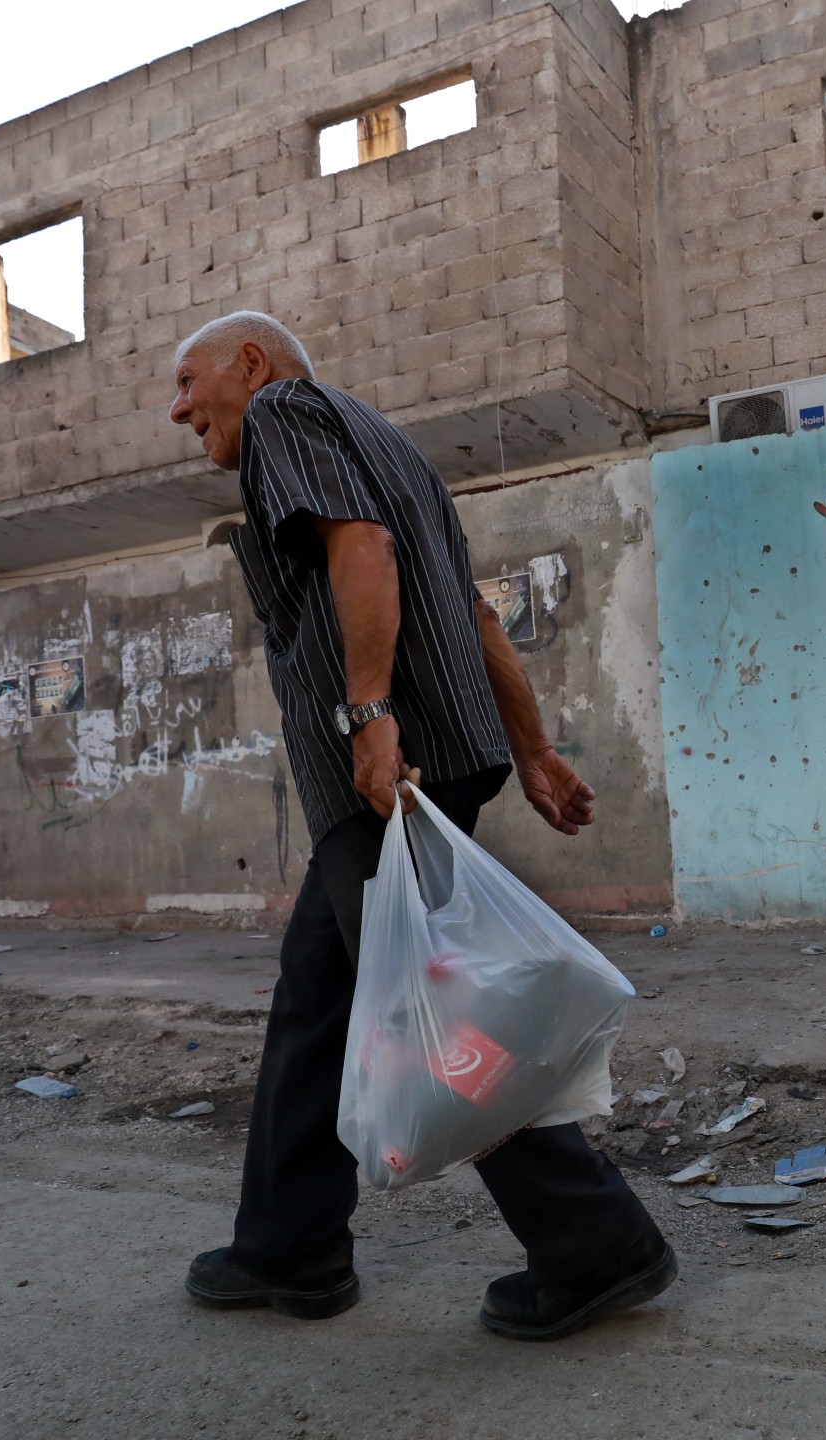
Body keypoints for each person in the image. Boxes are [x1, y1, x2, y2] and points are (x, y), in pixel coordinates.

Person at [166, 311, 675, 1336]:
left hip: (391, 773)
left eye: (188, 383)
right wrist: (528, 751)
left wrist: (367, 716)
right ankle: (289, 1244)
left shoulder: (285, 417)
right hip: (434, 757)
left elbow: (363, 550)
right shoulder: (385, 442)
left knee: (436, 1014)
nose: (179, 411)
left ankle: (596, 1245)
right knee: (319, 993)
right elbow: (476, 615)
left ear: (251, 365)